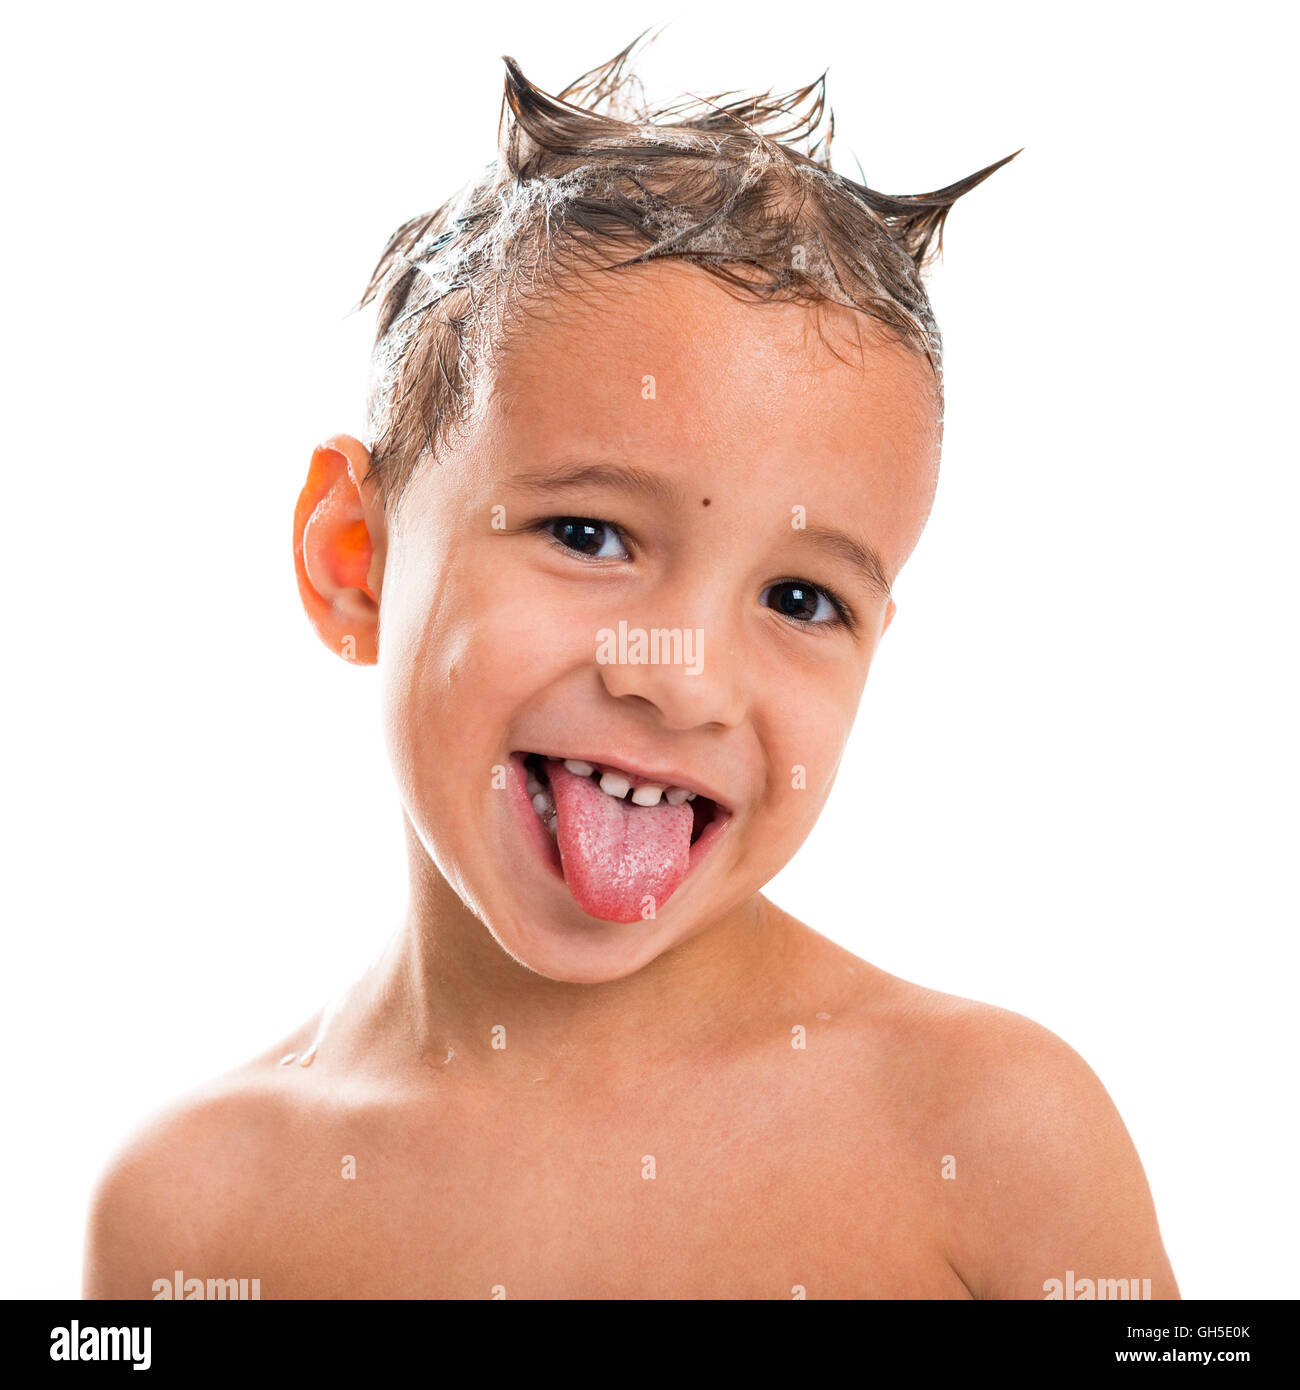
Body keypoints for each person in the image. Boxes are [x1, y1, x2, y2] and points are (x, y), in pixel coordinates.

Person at [83, 35, 1178, 1300]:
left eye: (801, 598)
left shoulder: (989, 1133)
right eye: (588, 535)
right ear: (354, 559)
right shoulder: (196, 1216)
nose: (684, 679)